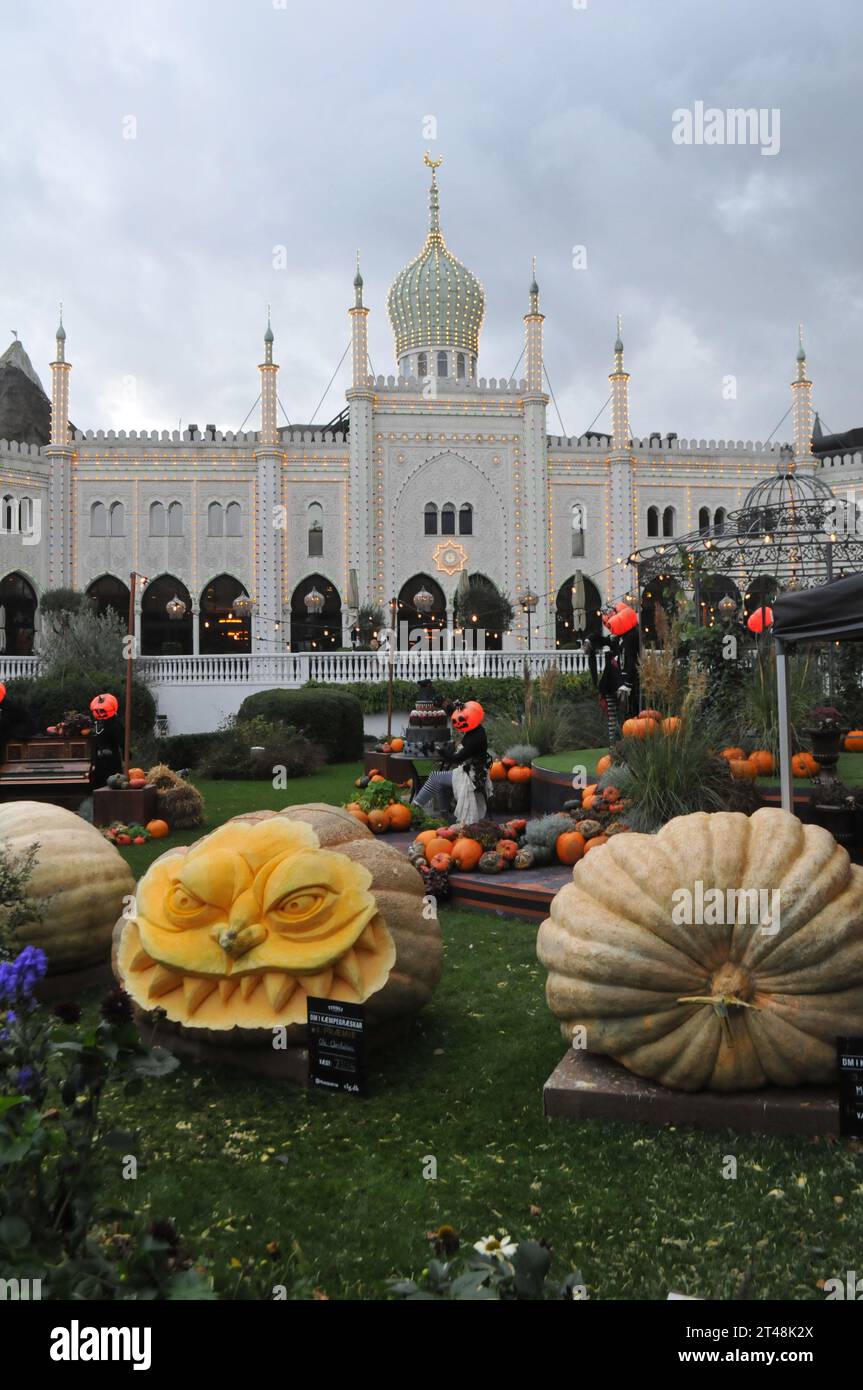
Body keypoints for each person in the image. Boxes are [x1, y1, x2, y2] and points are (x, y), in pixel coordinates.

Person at [412, 699, 492, 820]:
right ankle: (444, 814)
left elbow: (457, 758)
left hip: (472, 775)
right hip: (472, 769)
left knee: (434, 777)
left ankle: (415, 807)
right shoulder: (477, 730)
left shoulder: (475, 738)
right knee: (439, 780)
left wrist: (441, 751)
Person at [584, 602, 641, 747]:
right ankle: (613, 746)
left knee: (629, 716)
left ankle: (628, 746)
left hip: (625, 684)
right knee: (613, 716)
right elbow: (603, 639)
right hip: (611, 682)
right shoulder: (616, 637)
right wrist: (590, 640)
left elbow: (631, 659)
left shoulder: (631, 636)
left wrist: (627, 683)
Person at [89, 692, 124, 789]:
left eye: (102, 710)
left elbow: (121, 739)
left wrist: (126, 752)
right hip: (99, 759)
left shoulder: (115, 723)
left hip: (111, 758)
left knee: (113, 782)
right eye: (98, 710)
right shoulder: (98, 723)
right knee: (99, 782)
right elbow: (95, 742)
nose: (100, 712)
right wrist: (93, 760)